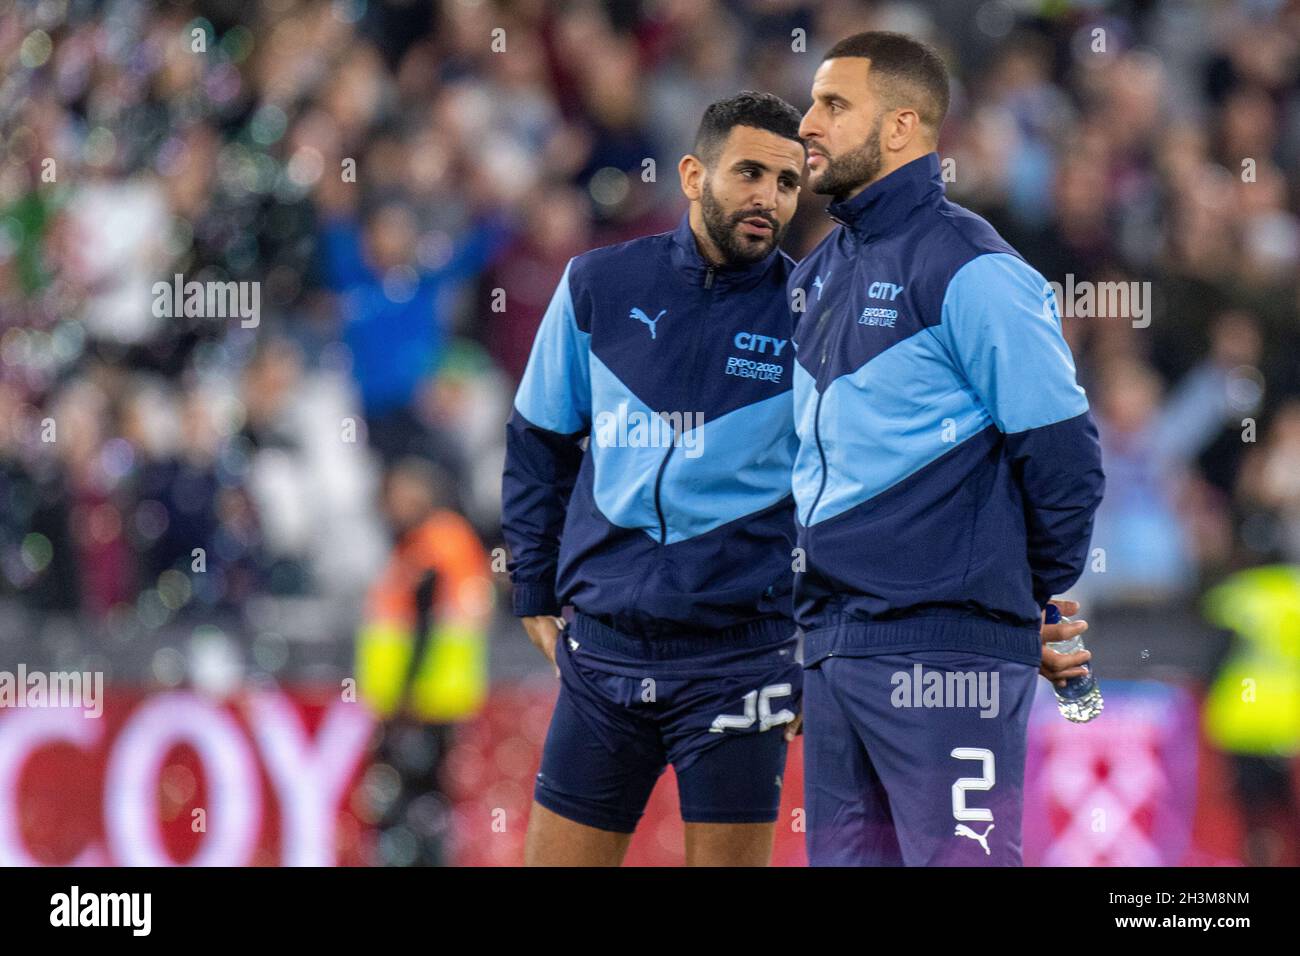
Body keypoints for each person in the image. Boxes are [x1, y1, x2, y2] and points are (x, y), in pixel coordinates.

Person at [790, 32, 1104, 866]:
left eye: (832, 104)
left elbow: (1066, 457)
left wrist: (1010, 602)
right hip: (834, 647)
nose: (807, 122)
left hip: (947, 652)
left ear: (900, 126)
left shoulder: (974, 268)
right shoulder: (815, 275)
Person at [501, 92, 807, 866]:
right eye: (749, 173)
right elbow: (539, 440)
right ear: (694, 173)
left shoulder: (814, 313)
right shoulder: (596, 284)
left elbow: (846, 490)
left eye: (787, 182)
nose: (767, 198)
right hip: (603, 656)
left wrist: (824, 636)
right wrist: (533, 587)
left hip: (742, 661)